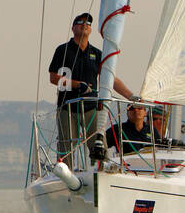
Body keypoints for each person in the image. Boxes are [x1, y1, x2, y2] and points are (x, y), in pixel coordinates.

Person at [48, 12, 136, 159]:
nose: (85, 25)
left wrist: (131, 96)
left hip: (91, 108)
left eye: (88, 23)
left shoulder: (96, 53)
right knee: (67, 145)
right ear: (73, 27)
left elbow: (111, 79)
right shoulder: (63, 50)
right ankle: (65, 173)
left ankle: (100, 172)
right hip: (67, 107)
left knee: (98, 144)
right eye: (80, 22)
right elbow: (53, 78)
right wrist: (76, 85)